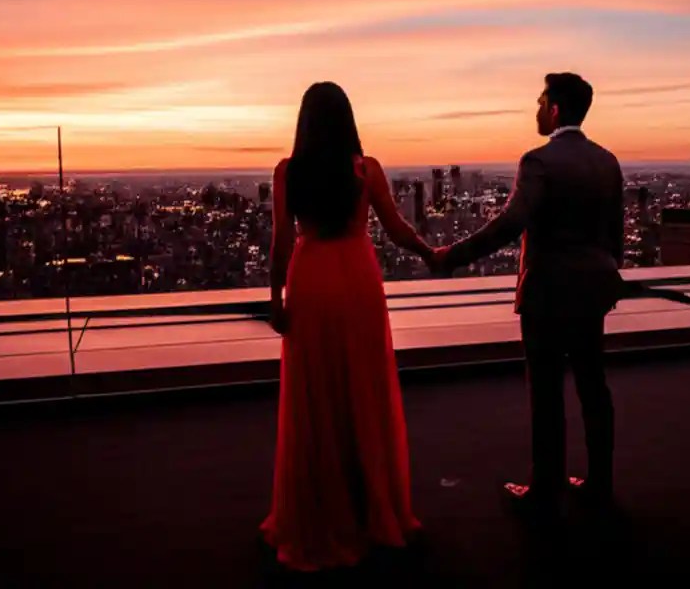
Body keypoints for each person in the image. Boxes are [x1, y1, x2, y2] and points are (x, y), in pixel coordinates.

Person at [432, 72, 625, 519]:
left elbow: (510, 223)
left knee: (546, 391)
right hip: (592, 289)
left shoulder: (538, 161)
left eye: (540, 103)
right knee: (593, 385)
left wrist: (454, 256)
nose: (536, 110)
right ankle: (600, 483)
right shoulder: (607, 161)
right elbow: (614, 233)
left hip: (548, 292)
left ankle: (545, 488)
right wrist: (604, 274)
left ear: (554, 110)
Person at [262, 81, 429, 570]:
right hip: (358, 281)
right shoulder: (365, 169)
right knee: (363, 390)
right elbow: (396, 229)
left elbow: (280, 244)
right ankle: (370, 508)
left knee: (316, 396)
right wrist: (432, 253)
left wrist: (275, 300)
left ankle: (318, 514)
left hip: (310, 282)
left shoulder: (288, 172)